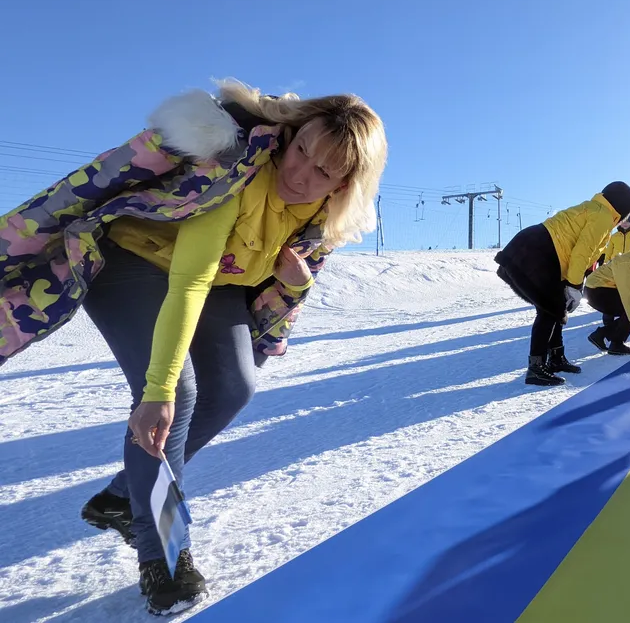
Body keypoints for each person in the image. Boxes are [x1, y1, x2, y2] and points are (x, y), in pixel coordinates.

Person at [0, 79, 387, 614]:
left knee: (233, 388)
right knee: (174, 395)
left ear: (346, 184)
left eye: (324, 172)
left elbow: (275, 290)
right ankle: (163, 550)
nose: (300, 175)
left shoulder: (322, 221)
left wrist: (295, 283)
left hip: (219, 285)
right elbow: (189, 281)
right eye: (301, 151)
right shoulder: (236, 171)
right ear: (292, 135)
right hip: (135, 263)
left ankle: (121, 497)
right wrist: (157, 391)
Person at [495, 181, 630, 387]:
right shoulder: (602, 216)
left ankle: (555, 358)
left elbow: (587, 257)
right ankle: (536, 368)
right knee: (549, 309)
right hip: (536, 251)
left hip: (540, 249)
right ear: (622, 207)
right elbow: (581, 252)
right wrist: (573, 285)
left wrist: (576, 284)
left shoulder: (598, 211)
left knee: (557, 307)